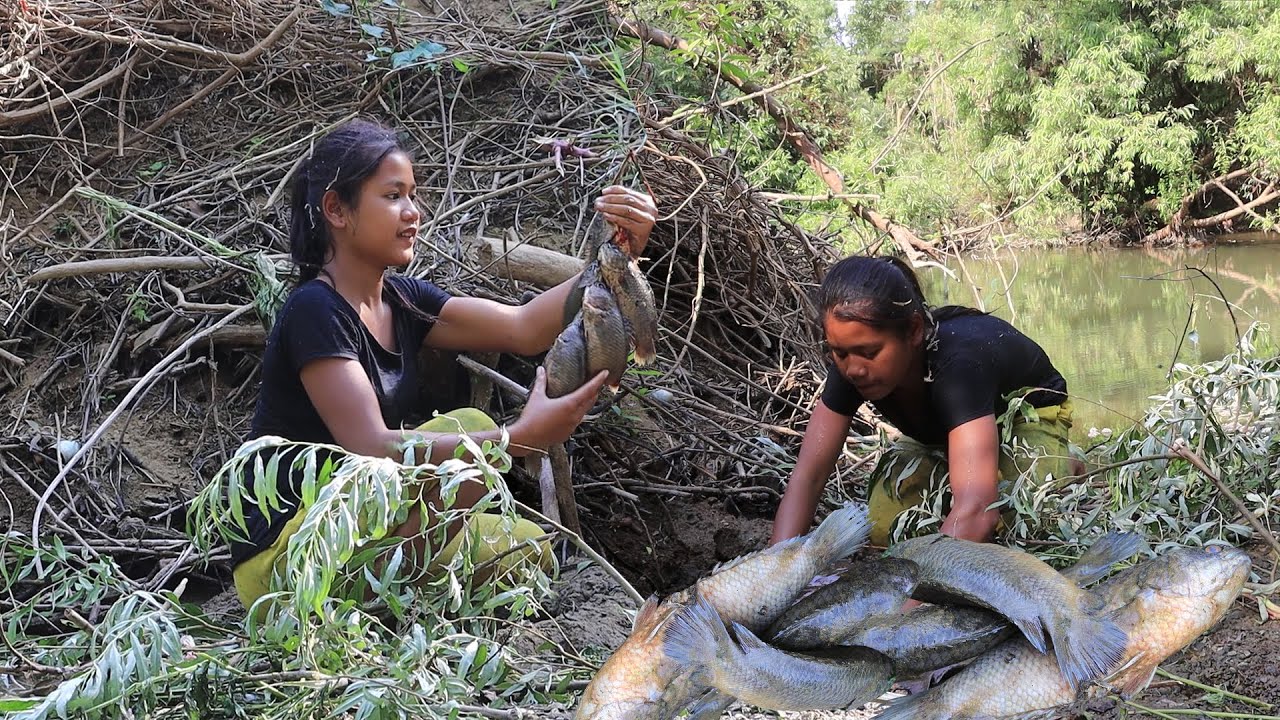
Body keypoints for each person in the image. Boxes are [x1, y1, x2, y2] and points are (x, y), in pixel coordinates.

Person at [228, 119, 658, 609]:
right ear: (336, 209)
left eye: (413, 195)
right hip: (291, 559)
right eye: (393, 196)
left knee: (526, 547)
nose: (413, 212)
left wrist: (616, 257)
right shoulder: (314, 310)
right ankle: (371, 604)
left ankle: (397, 593)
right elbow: (370, 444)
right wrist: (518, 439)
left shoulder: (400, 300)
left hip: (359, 519)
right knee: (475, 445)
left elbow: (523, 327)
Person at [771, 255, 1079, 549]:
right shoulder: (853, 367)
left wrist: (909, 602)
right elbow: (809, 475)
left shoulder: (958, 368)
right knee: (883, 528)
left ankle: (1066, 457)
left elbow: (978, 512)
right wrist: (777, 569)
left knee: (1010, 522)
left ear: (915, 331)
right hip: (949, 431)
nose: (854, 369)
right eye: (839, 353)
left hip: (1024, 417)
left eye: (869, 352)